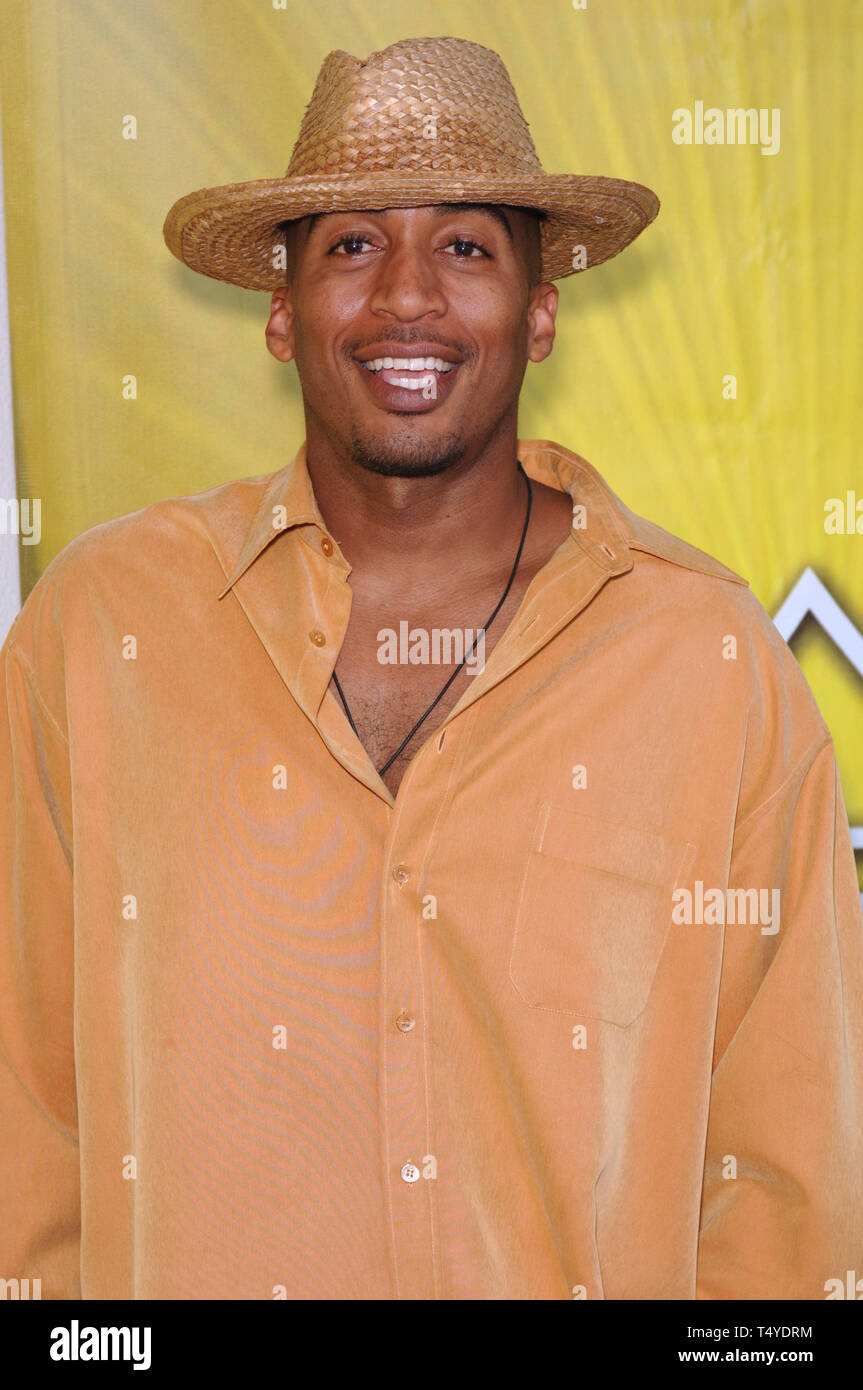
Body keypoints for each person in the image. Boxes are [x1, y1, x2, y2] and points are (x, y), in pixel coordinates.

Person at [1, 35, 861, 1302]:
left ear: (542, 310)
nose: (406, 295)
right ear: (282, 313)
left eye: (465, 246)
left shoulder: (709, 665)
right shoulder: (97, 632)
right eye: (352, 244)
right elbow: (28, 1129)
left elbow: (784, 1196)